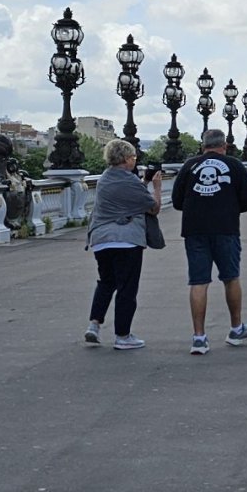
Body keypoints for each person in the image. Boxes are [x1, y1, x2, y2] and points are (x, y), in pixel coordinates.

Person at [173, 128, 247, 353]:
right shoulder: (235, 165)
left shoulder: (190, 166)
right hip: (225, 228)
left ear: (203, 145)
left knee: (198, 281)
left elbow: (176, 200)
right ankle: (236, 328)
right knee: (231, 278)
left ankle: (199, 337)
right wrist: (229, 208)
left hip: (195, 230)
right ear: (225, 146)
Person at [84, 139, 159, 350]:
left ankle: (94, 325)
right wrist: (156, 187)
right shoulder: (130, 181)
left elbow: (128, 197)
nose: (135, 161)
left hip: (101, 240)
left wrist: (142, 183)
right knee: (127, 289)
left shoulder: (104, 179)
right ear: (127, 159)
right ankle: (122, 336)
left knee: (106, 282)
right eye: (134, 157)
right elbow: (152, 208)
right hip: (127, 241)